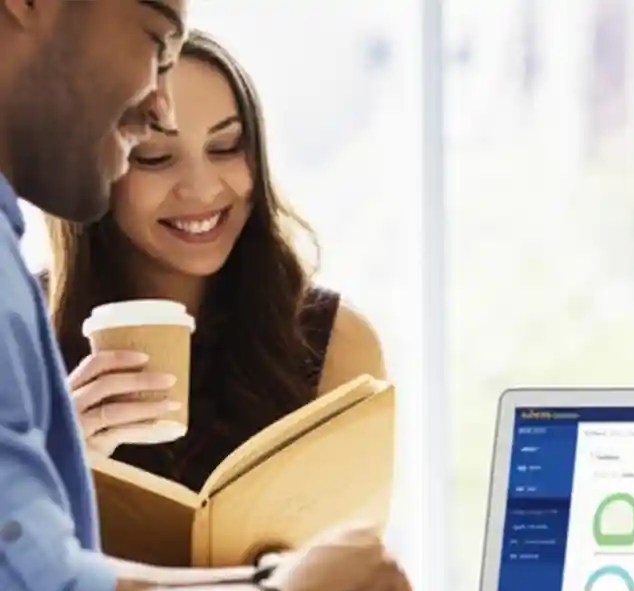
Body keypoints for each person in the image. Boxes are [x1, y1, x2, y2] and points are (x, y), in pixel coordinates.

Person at [0, 2, 414, 591]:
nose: (152, 107)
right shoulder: (29, 308)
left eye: (227, 147)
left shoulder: (328, 333)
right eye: (155, 38)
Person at [44, 30, 386, 492]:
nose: (202, 190)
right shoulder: (18, 336)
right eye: (155, 156)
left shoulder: (337, 344)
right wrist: (47, 477)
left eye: (226, 147)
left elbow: (353, 555)